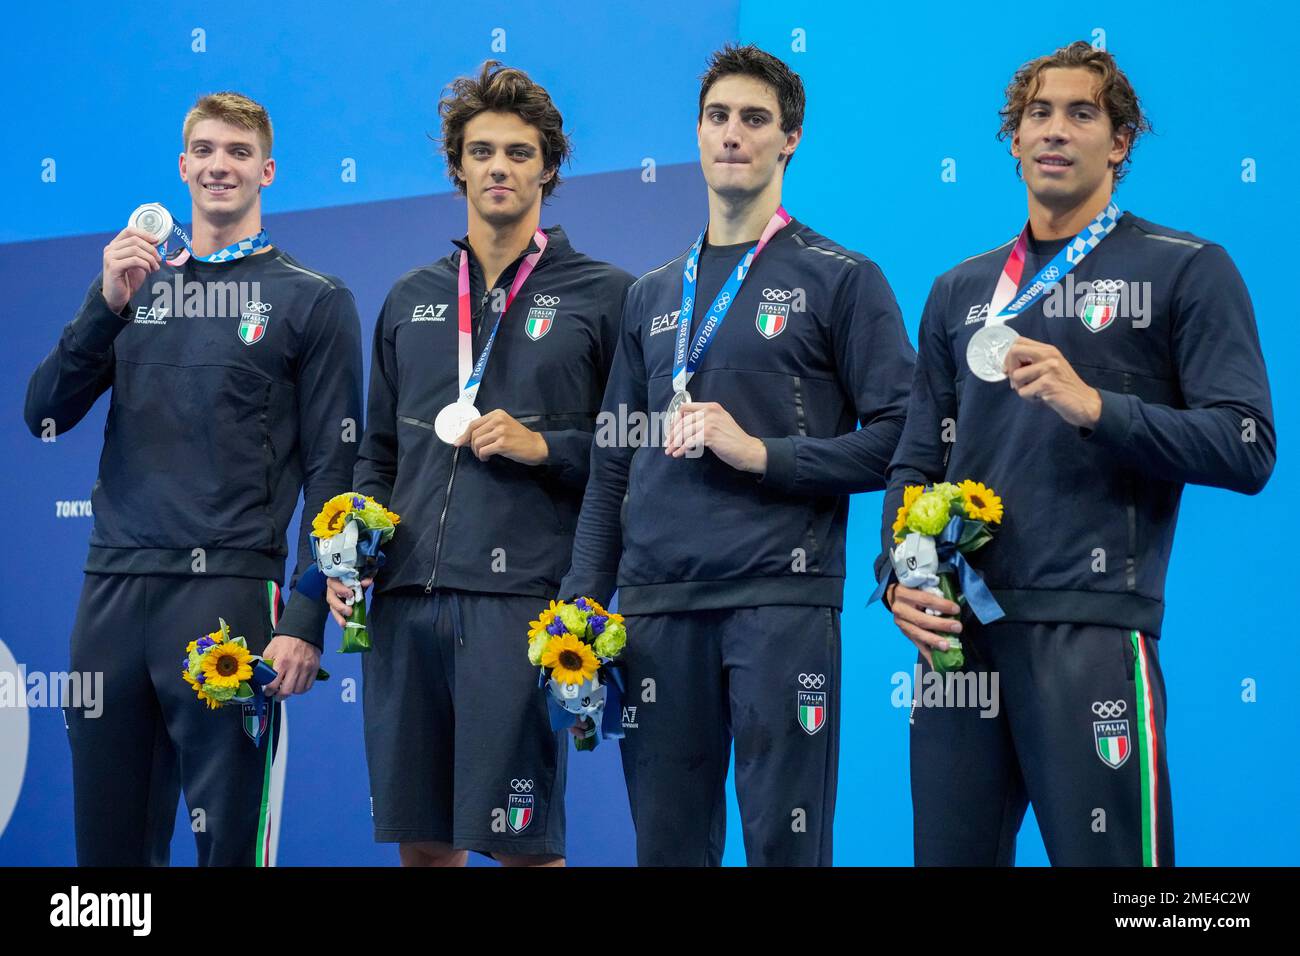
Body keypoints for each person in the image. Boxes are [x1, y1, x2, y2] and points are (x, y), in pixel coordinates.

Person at [877, 41, 1275, 866]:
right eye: (1038, 114)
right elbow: (916, 463)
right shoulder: (960, 291)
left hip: (1090, 630)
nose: (1055, 131)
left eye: (1082, 113)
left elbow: (1247, 444)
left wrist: (1097, 408)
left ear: (1120, 142)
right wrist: (897, 577)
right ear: (1014, 140)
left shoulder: (1185, 269)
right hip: (961, 641)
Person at [559, 43, 915, 866]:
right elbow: (613, 461)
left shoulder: (843, 279)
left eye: (755, 119)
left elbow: (900, 438)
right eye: (717, 117)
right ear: (697, 133)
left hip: (778, 602)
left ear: (789, 140)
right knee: (668, 849)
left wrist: (764, 455)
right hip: (654, 610)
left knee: (783, 847)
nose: (732, 134)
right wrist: (581, 602)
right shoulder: (651, 293)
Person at [25, 91, 363, 866]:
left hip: (233, 600)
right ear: (182, 167)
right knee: (108, 864)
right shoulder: (132, 286)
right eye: (206, 151)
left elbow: (334, 472)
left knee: (230, 853)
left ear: (267, 172)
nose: (220, 166)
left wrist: (305, 617)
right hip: (111, 595)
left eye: (239, 153)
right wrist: (104, 308)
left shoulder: (313, 299)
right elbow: (43, 413)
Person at [333, 61, 634, 867]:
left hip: (522, 602)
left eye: (519, 152)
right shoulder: (409, 297)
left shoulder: (608, 296)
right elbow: (380, 452)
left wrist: (547, 449)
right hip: (404, 599)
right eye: (481, 151)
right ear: (456, 166)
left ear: (549, 168)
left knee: (523, 846)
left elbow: (633, 454)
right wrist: (353, 545)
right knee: (425, 845)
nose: (499, 166)